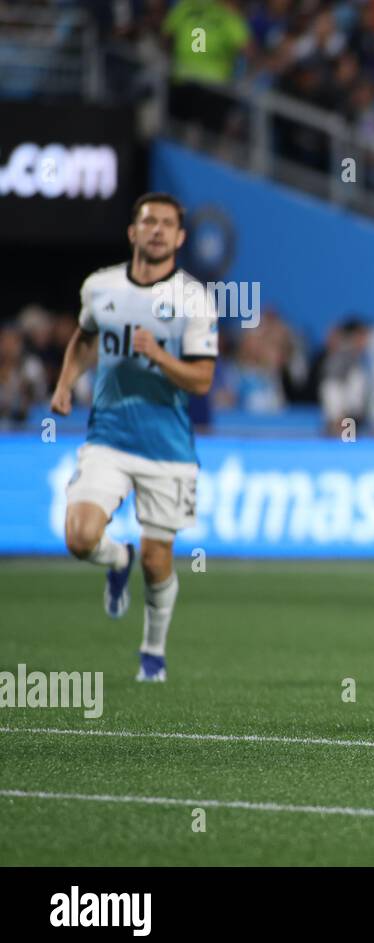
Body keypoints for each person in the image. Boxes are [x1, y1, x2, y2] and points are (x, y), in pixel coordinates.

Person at [50, 193, 218, 682]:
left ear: (180, 237)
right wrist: (65, 383)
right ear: (133, 232)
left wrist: (160, 357)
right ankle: (114, 556)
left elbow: (202, 380)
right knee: (80, 538)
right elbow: (84, 338)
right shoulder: (100, 287)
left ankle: (153, 651)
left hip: (167, 448)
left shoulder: (193, 299)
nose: (158, 230)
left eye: (168, 224)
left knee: (157, 558)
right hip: (108, 436)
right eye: (149, 222)